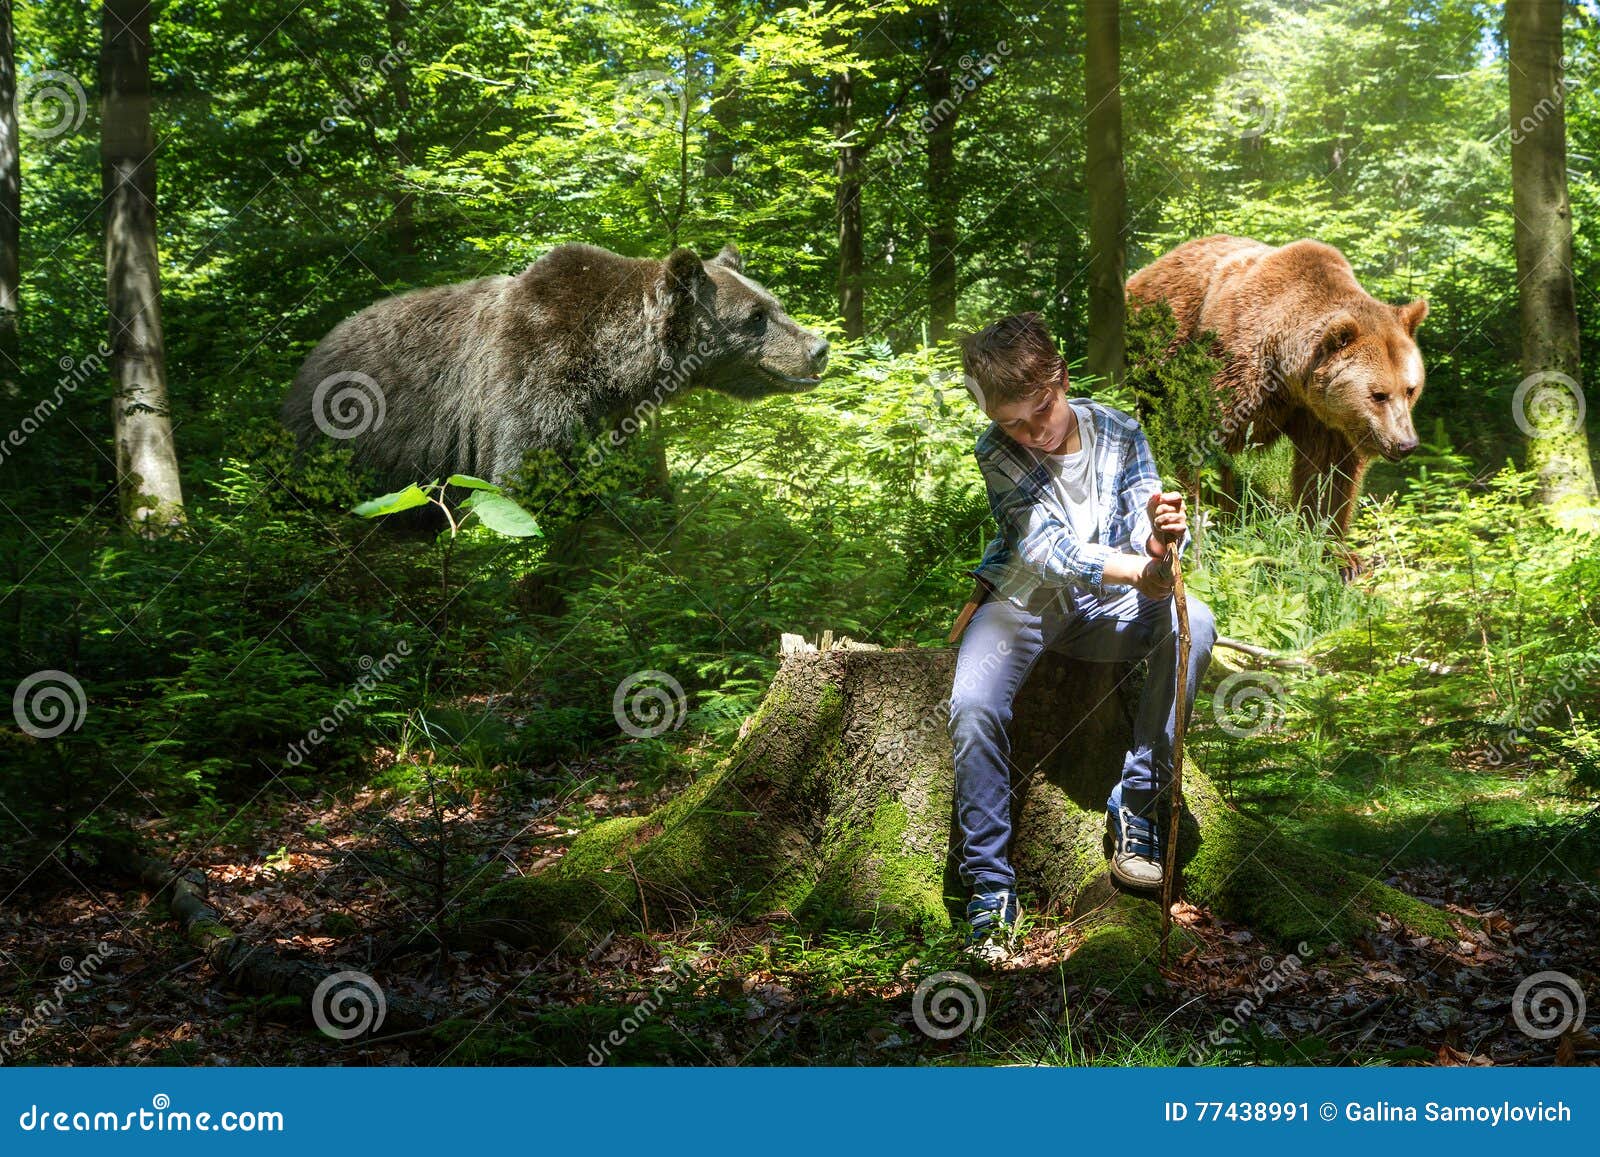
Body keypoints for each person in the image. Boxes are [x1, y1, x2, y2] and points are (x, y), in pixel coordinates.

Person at [947, 312, 1217, 954]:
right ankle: (989, 881)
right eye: (1011, 422)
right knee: (972, 704)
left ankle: (1140, 808)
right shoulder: (996, 450)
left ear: (1061, 379)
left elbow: (1145, 530)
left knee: (1197, 623)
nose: (1031, 433)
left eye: (1039, 411)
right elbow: (1044, 551)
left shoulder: (1119, 430)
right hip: (1026, 602)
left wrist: (1160, 539)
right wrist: (1139, 570)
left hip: (1112, 606)